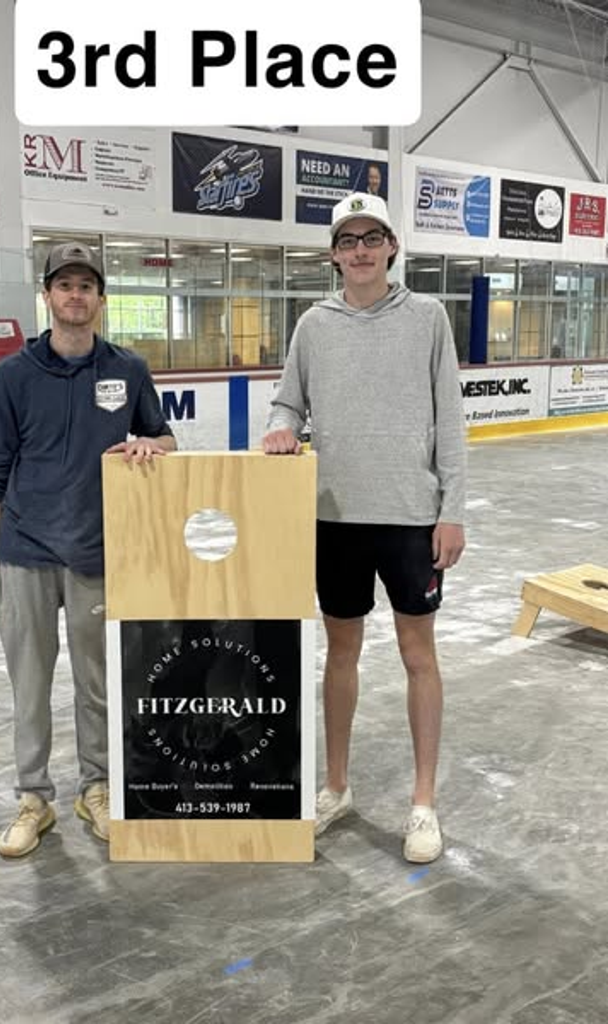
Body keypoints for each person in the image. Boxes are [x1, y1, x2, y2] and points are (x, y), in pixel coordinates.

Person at [263, 193, 466, 863]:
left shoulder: (428, 317)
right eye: (347, 240)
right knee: (340, 654)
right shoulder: (313, 325)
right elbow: (288, 399)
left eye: (371, 237)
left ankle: (423, 803)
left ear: (391, 247)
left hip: (410, 518)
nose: (359, 250)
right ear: (333, 254)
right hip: (335, 517)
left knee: (418, 657)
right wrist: (282, 426)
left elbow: (450, 419)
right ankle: (337, 786)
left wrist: (452, 508)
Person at [0, 241, 177, 858]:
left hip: (96, 553)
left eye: (86, 286)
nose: (75, 296)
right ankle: (34, 798)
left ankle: (99, 789)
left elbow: (166, 438)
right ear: (47, 296)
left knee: (97, 684)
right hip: (24, 553)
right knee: (30, 686)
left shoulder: (128, 369)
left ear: (100, 299)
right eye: (64, 285)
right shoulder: (13, 374)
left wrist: (150, 447)